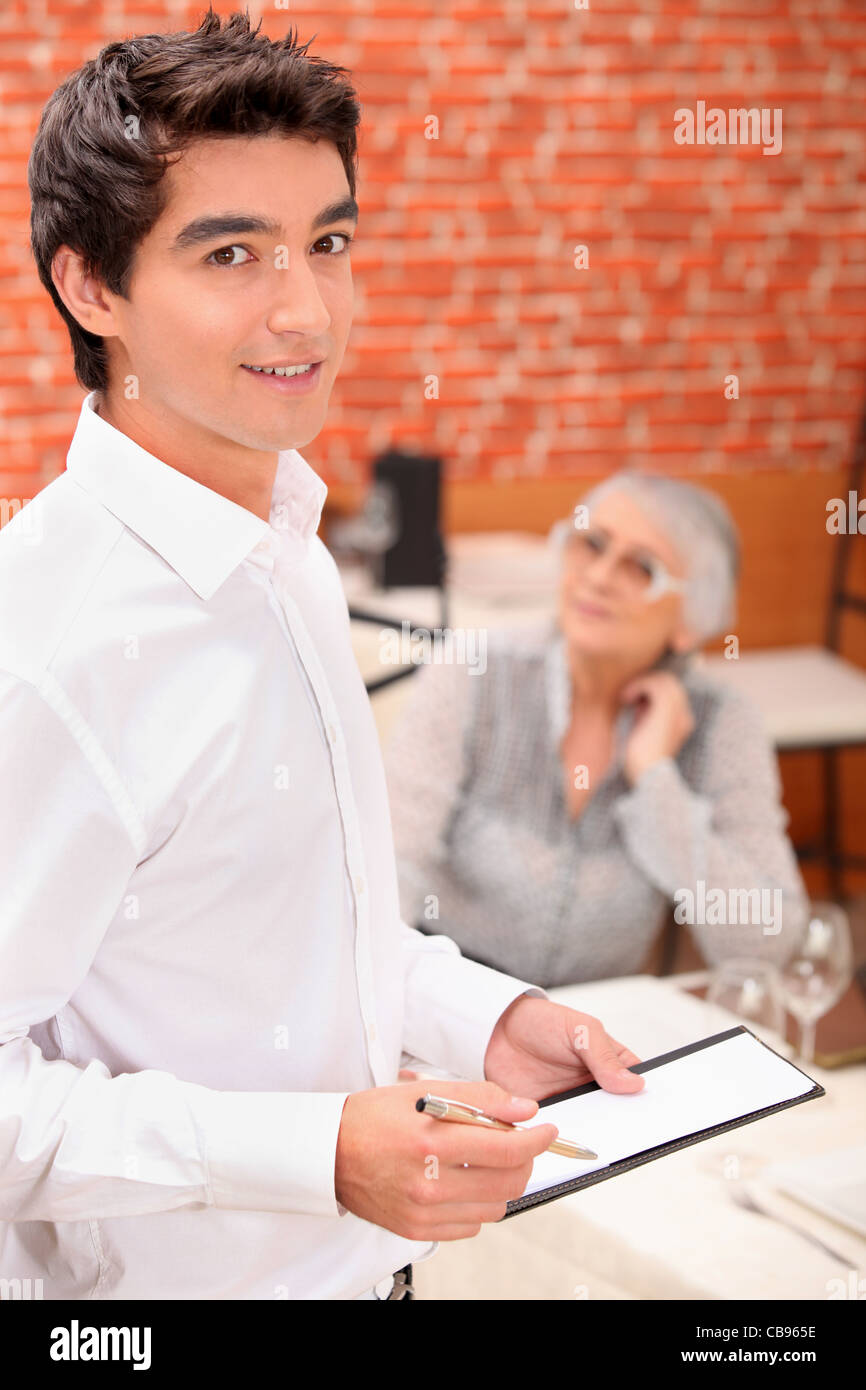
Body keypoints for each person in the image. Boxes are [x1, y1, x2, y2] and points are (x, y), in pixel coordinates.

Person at [0, 9, 644, 1302]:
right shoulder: (49, 654)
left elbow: (291, 927)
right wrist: (312, 1151)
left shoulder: (287, 542)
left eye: (328, 242)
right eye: (230, 251)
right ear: (92, 287)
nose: (307, 308)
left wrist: (482, 1018)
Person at [384, 473, 809, 987]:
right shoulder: (476, 670)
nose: (600, 577)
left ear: (692, 622)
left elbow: (769, 939)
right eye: (592, 545)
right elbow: (391, 865)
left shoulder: (721, 722)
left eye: (641, 567)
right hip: (452, 996)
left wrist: (655, 781)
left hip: (603, 1025)